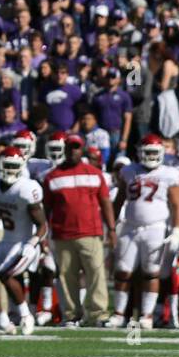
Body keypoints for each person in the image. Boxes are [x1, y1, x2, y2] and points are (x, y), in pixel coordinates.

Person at [42, 134, 117, 327]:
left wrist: (112, 229)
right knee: (67, 276)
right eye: (70, 147)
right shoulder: (53, 176)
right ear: (65, 149)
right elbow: (46, 209)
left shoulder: (94, 173)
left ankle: (98, 314)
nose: (73, 151)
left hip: (90, 232)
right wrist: (44, 234)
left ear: (81, 149)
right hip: (62, 234)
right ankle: (71, 315)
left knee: (96, 274)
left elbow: (105, 202)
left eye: (77, 147)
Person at [110, 134, 179, 329]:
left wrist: (176, 230)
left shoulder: (170, 173)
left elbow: (176, 205)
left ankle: (147, 315)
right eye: (147, 152)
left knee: (151, 272)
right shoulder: (128, 171)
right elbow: (119, 200)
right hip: (130, 226)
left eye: (154, 152)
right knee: (123, 271)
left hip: (156, 228)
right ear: (140, 152)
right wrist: (111, 227)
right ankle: (119, 314)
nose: (151, 156)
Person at [0, 148, 48, 335]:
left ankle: (26, 316)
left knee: (5, 274)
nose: (9, 169)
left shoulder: (26, 188)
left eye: (13, 165)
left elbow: (42, 225)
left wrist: (32, 244)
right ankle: (2, 322)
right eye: (7, 165)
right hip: (5, 241)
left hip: (24, 243)